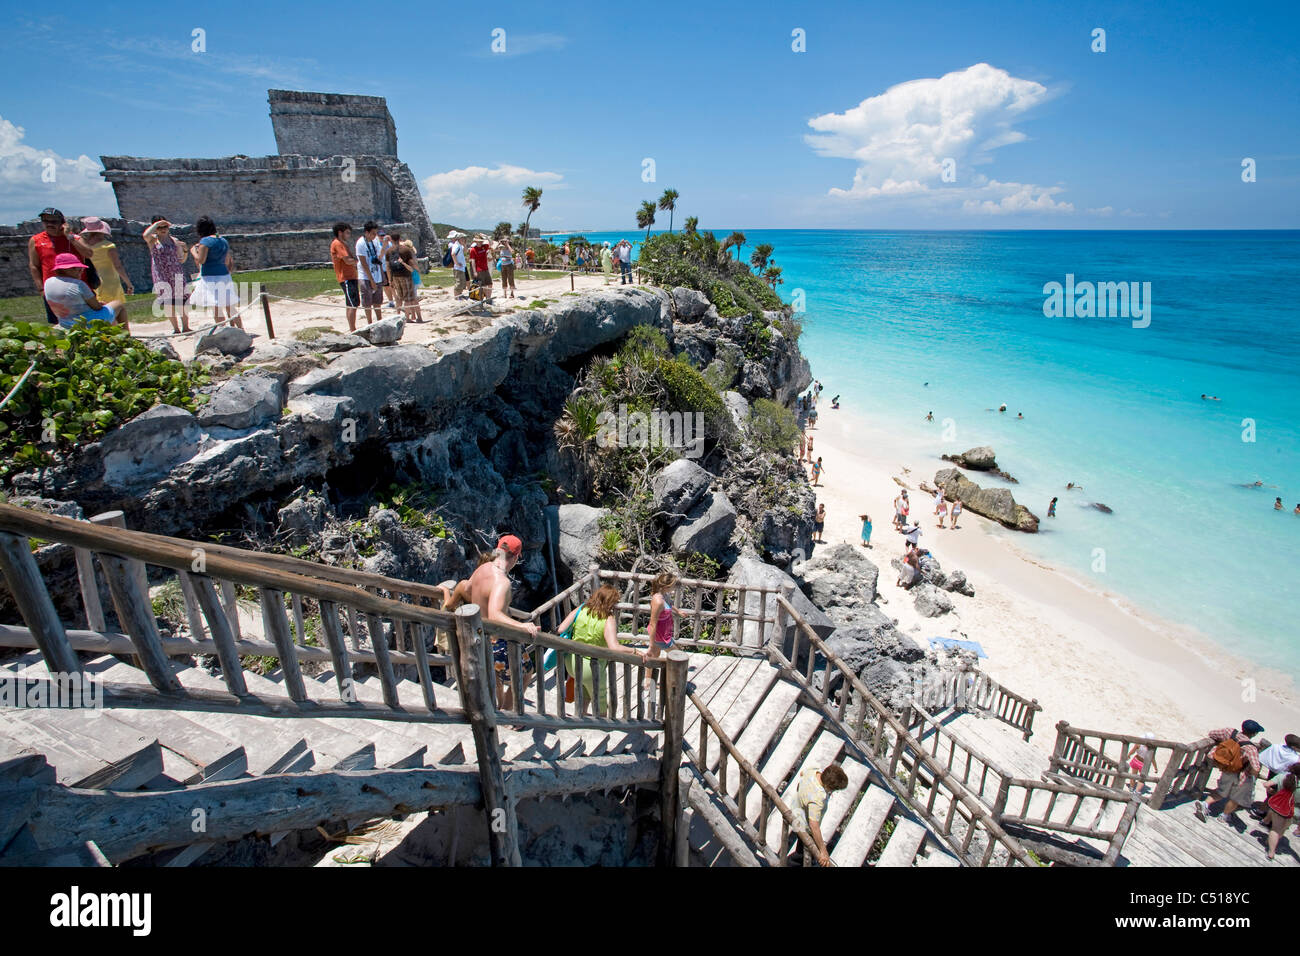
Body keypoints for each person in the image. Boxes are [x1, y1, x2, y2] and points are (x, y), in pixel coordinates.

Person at [466, 534, 540, 710]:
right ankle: (507, 714)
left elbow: (467, 589)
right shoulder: (502, 581)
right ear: (515, 557)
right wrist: (522, 625)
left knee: (496, 675)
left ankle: (498, 706)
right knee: (525, 674)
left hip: (479, 635)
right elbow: (495, 614)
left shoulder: (481, 569)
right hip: (498, 640)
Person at [554, 584, 623, 717]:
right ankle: (602, 722)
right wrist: (635, 652)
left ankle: (582, 712)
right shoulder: (608, 619)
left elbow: (561, 629)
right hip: (592, 667)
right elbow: (614, 647)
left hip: (572, 662)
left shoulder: (581, 608)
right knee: (600, 697)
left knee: (584, 688)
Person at [29, 208, 96, 326]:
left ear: (62, 223)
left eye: (53, 222)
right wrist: (41, 289)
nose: (49, 224)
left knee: (89, 320)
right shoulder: (36, 240)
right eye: (45, 221)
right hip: (53, 290)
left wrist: (69, 237)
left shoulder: (75, 238)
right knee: (58, 323)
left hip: (79, 287)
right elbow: (34, 265)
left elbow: (88, 253)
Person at [1195, 719, 1265, 826]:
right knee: (1236, 798)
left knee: (1222, 790)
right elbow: (1256, 767)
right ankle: (1224, 816)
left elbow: (1212, 734)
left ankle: (1206, 803)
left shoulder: (1229, 732)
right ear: (1254, 734)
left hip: (1225, 767)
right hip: (1238, 773)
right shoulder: (1251, 748)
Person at [637, 572, 685, 711]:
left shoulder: (664, 596)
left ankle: (647, 682)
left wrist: (678, 611)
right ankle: (677, 681)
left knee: (653, 657)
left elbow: (669, 605)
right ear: (667, 586)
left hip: (664, 633)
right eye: (674, 585)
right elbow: (652, 623)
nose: (675, 587)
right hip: (660, 635)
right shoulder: (658, 600)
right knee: (678, 655)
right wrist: (651, 643)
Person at [43, 253, 126, 329]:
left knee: (107, 310)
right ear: (66, 269)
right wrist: (99, 304)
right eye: (78, 269)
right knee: (118, 304)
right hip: (86, 322)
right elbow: (97, 307)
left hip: (65, 322)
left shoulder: (48, 282)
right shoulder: (78, 284)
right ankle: (126, 336)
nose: (81, 272)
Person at [189, 216, 241, 328]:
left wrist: (193, 252)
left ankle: (222, 330)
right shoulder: (223, 240)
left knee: (216, 308)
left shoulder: (205, 241)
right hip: (224, 275)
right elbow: (227, 260)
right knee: (229, 306)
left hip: (210, 277)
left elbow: (201, 260)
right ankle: (241, 328)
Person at [795, 763, 848, 866]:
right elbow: (814, 826)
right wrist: (823, 851)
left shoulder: (814, 770)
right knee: (802, 857)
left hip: (797, 812)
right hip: (805, 827)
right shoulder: (818, 798)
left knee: (802, 853)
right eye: (834, 790)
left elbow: (802, 774)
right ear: (828, 786)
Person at [143, 216, 189, 333]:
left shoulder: (175, 240)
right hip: (161, 274)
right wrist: (157, 224)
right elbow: (145, 235)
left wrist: (185, 250)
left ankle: (186, 327)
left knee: (181, 302)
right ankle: (176, 328)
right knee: (168, 302)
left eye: (165, 226)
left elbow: (181, 260)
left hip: (176, 272)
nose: (163, 229)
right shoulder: (153, 240)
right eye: (159, 227)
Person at [78, 218, 133, 309]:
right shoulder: (108, 246)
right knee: (115, 308)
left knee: (99, 308)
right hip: (109, 280)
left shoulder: (84, 247)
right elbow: (118, 266)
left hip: (93, 279)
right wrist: (129, 284)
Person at [1261, 765, 1297, 860]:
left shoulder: (1282, 776)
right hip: (1293, 812)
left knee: (1275, 829)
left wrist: (1273, 792)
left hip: (1278, 806)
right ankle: (1271, 847)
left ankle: (1271, 850)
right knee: (1281, 829)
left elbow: (1266, 784)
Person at [354, 221, 387, 324]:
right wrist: (371, 280)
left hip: (376, 274)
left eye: (375, 233)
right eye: (373, 233)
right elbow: (363, 263)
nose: (374, 235)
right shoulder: (361, 243)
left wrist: (382, 275)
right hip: (365, 276)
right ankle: (369, 322)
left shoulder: (375, 242)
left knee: (378, 301)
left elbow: (379, 259)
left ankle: (379, 320)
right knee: (367, 301)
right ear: (367, 232)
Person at [330, 223, 360, 332]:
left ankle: (352, 328)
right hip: (346, 277)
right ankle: (353, 329)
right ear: (340, 232)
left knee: (352, 303)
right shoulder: (337, 244)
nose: (349, 235)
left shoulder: (343, 244)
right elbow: (347, 260)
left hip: (351, 276)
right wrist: (358, 261)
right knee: (352, 304)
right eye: (347, 232)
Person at [385, 231, 417, 321]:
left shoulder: (388, 251)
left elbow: (387, 267)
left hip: (395, 276)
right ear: (399, 239)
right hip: (405, 275)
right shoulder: (405, 250)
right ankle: (407, 317)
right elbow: (411, 263)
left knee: (398, 298)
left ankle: (398, 315)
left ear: (391, 239)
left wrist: (389, 280)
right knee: (407, 298)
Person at [448, 231, 468, 298]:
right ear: (458, 239)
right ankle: (456, 297)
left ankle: (460, 295)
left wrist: (464, 244)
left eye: (464, 239)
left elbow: (465, 251)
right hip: (458, 268)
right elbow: (453, 254)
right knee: (459, 283)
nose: (463, 240)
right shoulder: (456, 245)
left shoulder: (459, 245)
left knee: (462, 282)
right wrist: (456, 263)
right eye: (462, 239)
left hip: (461, 267)